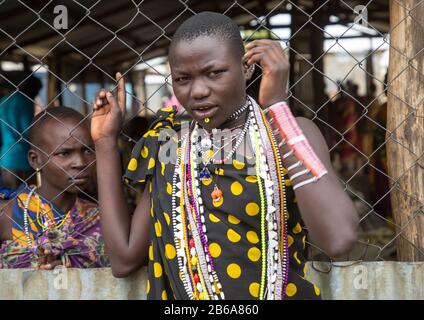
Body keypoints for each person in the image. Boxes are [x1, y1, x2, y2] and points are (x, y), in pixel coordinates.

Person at [91, 12, 358, 300]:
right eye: (183, 79)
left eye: (214, 72)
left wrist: (277, 109)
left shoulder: (289, 133)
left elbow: (338, 239)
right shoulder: (168, 145)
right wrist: (105, 142)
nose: (199, 91)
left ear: (246, 69)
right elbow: (124, 259)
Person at [0, 106, 109, 269]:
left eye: (87, 150)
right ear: (35, 160)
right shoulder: (7, 215)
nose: (80, 163)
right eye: (65, 153)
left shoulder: (100, 218)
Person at [0, 74, 42, 188]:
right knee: (26, 198)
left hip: (6, 157)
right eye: (37, 90)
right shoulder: (25, 102)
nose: (37, 94)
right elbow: (28, 131)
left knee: (9, 197)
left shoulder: (4, 100)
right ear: (30, 88)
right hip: (23, 158)